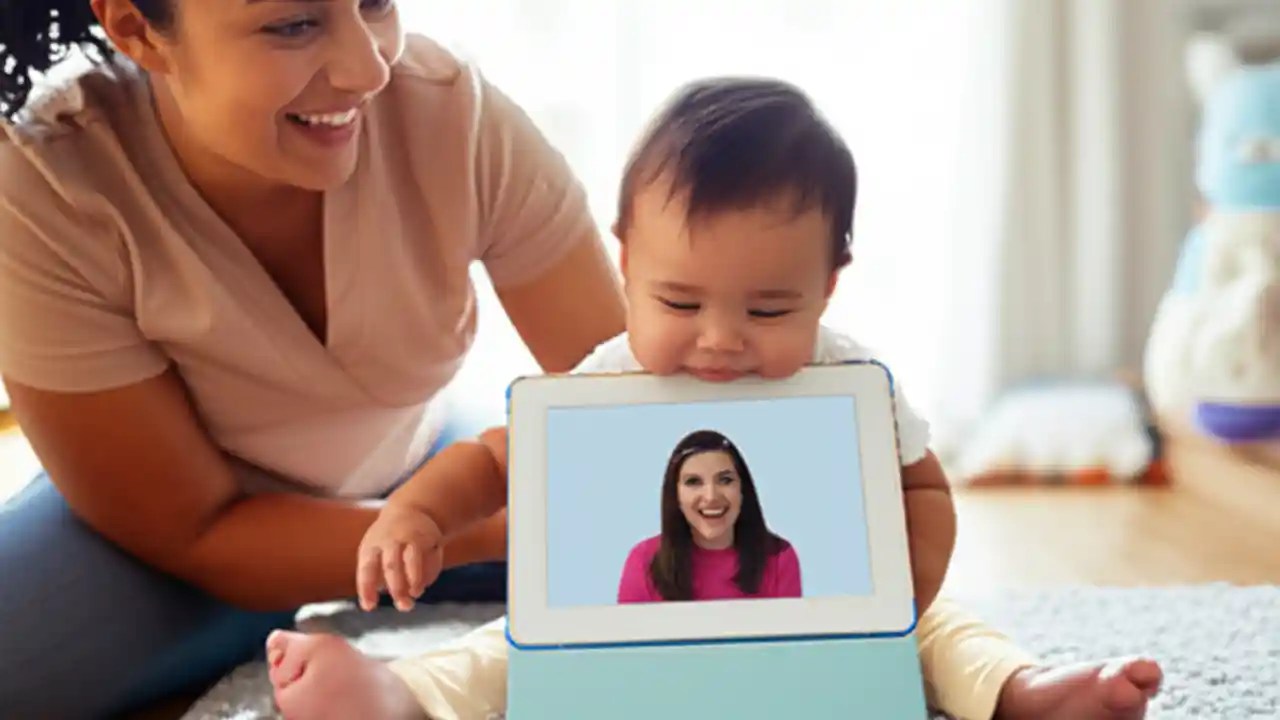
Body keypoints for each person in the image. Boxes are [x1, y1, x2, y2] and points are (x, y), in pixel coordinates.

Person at [264, 76, 1166, 720]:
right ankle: (398, 697)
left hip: (817, 642)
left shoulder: (849, 380)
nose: (720, 338)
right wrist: (416, 513)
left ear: (829, 285)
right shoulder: (614, 377)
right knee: (514, 643)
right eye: (679, 302)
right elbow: (495, 462)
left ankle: (1029, 695)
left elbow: (923, 488)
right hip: (634, 646)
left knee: (947, 632)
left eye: (770, 308)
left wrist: (905, 588)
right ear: (626, 266)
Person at [0, 1, 626, 716]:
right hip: (166, 548)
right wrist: (478, 531)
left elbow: (621, 407)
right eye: (293, 25)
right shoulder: (46, 184)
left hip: (419, 467)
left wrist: (454, 511)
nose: (369, 67)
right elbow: (197, 532)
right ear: (138, 30)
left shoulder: (453, 113)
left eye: (374, 3)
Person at [617, 428, 803, 603]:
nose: (711, 496)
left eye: (725, 480)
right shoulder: (645, 561)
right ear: (676, 496)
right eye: (693, 482)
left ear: (742, 490)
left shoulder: (779, 558)